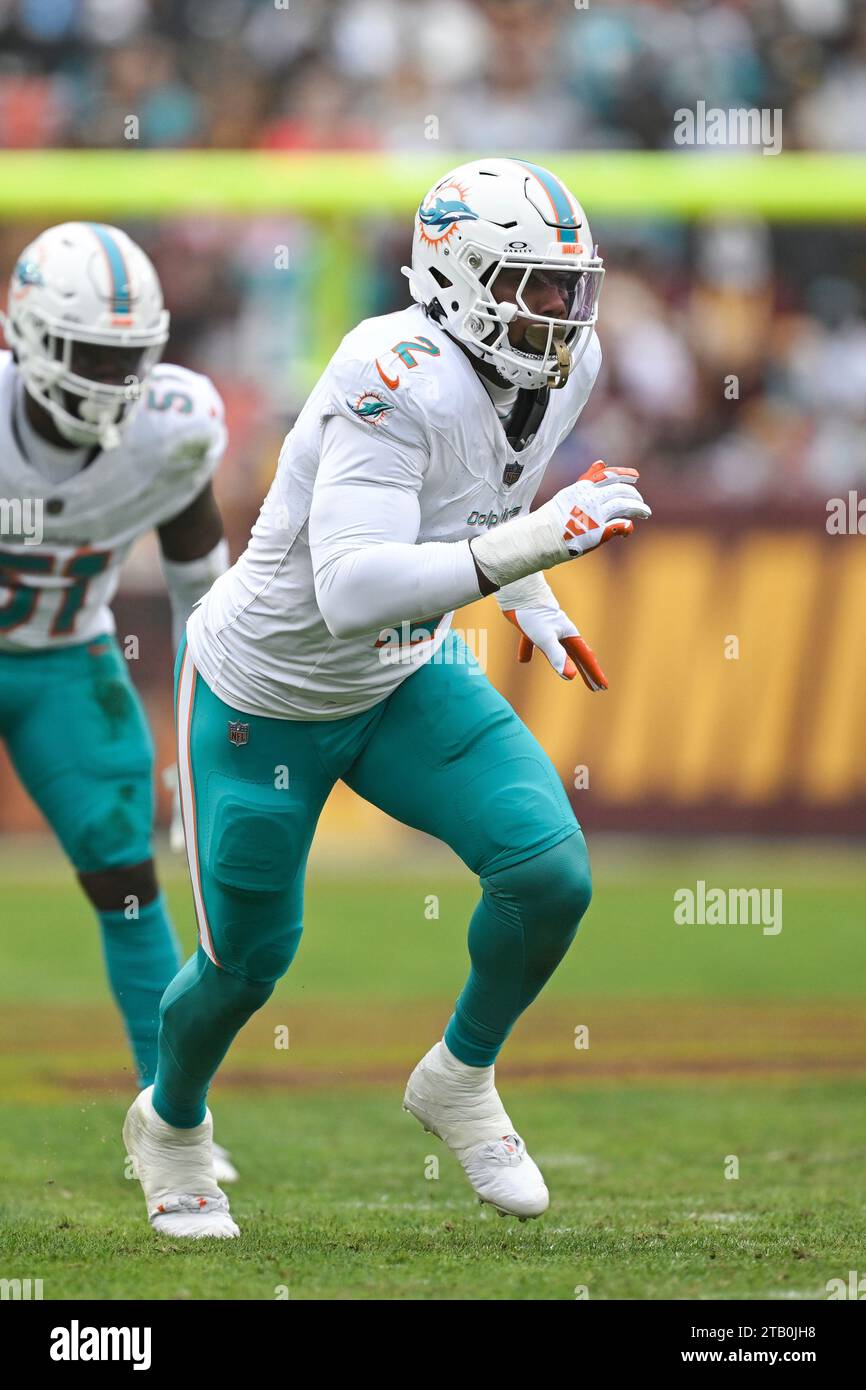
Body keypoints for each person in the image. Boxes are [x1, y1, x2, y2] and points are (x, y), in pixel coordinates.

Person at [123, 158, 650, 1237]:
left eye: (568, 286)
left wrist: (530, 591)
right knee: (247, 963)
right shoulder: (390, 367)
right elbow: (352, 585)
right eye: (531, 285)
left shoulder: (565, 363)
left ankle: (458, 1075)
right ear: (454, 275)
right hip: (264, 693)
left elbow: (478, 496)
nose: (560, 313)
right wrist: (532, 544)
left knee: (546, 872)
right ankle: (171, 1125)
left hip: (402, 674)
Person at [0, 222, 236, 1181]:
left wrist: (211, 721)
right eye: (92, 353)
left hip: (65, 663)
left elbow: (200, 591)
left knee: (128, 886)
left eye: (130, 356)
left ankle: (170, 1119)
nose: (113, 378)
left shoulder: (172, 430)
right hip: (62, 658)